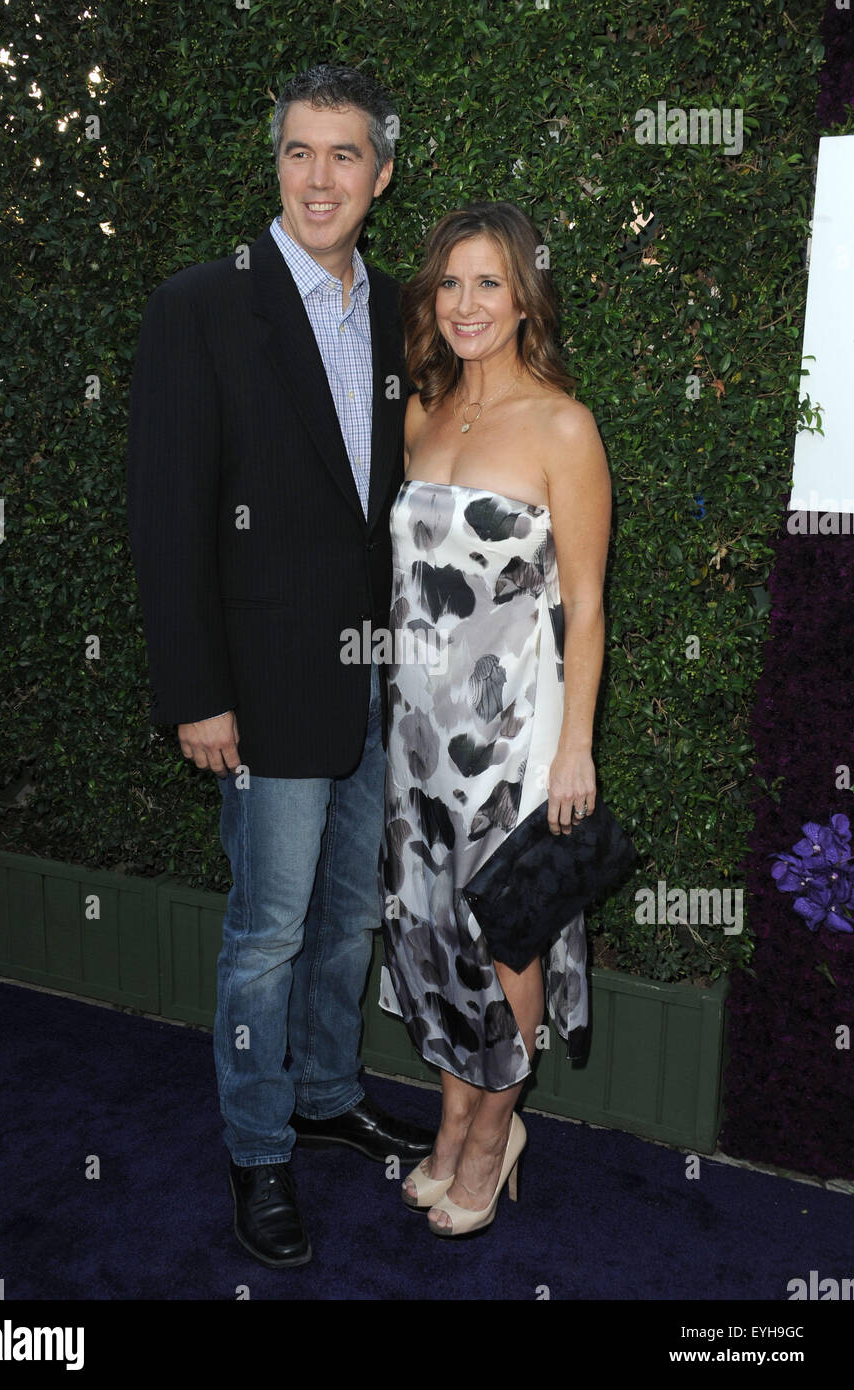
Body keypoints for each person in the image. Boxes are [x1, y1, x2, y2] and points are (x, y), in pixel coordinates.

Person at [126, 63, 433, 1271]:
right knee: (268, 930)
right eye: (300, 152)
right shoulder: (203, 303)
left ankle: (323, 1091)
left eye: (345, 154)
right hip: (256, 690)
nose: (320, 177)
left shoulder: (406, 308)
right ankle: (259, 1151)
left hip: (374, 684)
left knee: (348, 917)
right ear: (277, 164)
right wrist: (196, 691)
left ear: (381, 172)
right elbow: (167, 516)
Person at [379, 201, 611, 1236]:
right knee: (430, 939)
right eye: (451, 282)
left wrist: (576, 749)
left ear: (524, 299)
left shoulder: (565, 425)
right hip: (415, 740)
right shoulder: (423, 413)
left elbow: (588, 605)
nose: (467, 303)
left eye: (490, 283)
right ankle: (452, 1120)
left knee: (505, 941)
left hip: (514, 740)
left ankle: (491, 1136)